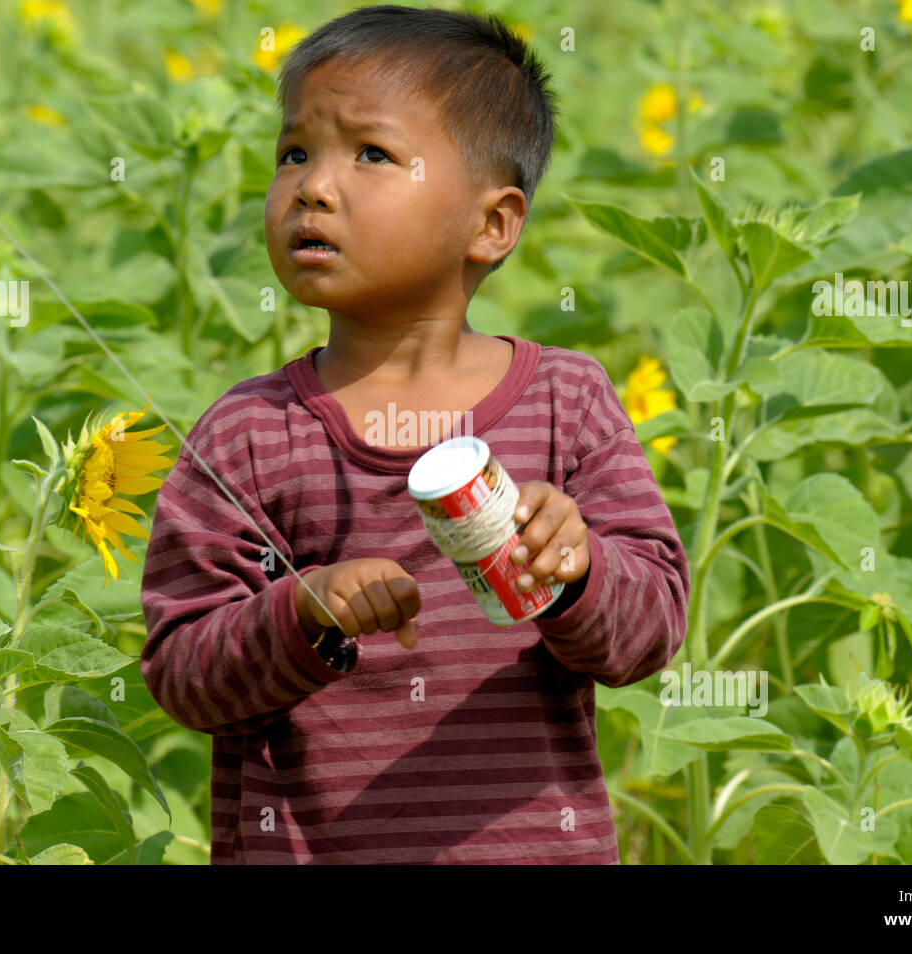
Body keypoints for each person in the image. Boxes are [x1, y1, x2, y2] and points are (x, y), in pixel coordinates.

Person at [140, 3, 690, 864]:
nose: (314, 186)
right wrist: (303, 612)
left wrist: (577, 570)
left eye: (371, 154)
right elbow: (181, 671)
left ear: (491, 225)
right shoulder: (248, 433)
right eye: (295, 153)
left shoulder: (566, 402)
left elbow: (650, 629)